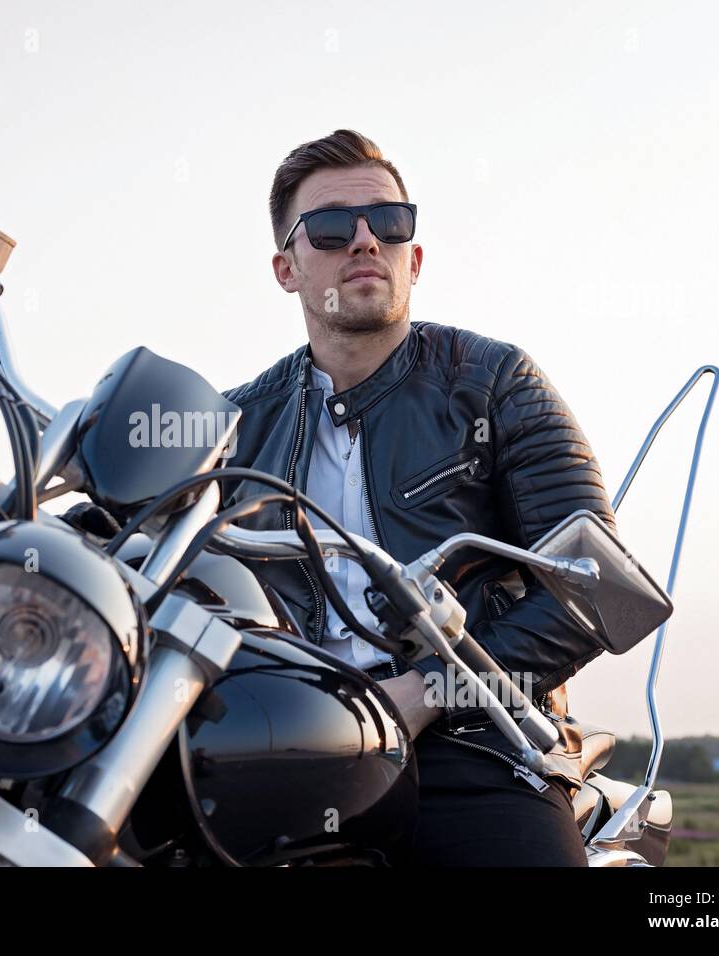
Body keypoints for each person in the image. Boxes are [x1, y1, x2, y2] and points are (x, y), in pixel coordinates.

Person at [218, 129, 617, 866]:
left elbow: (596, 587)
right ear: (287, 268)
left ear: (415, 257)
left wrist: (428, 690)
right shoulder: (233, 426)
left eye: (389, 224)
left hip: (475, 740)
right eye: (333, 228)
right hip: (284, 743)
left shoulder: (495, 380)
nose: (365, 241)